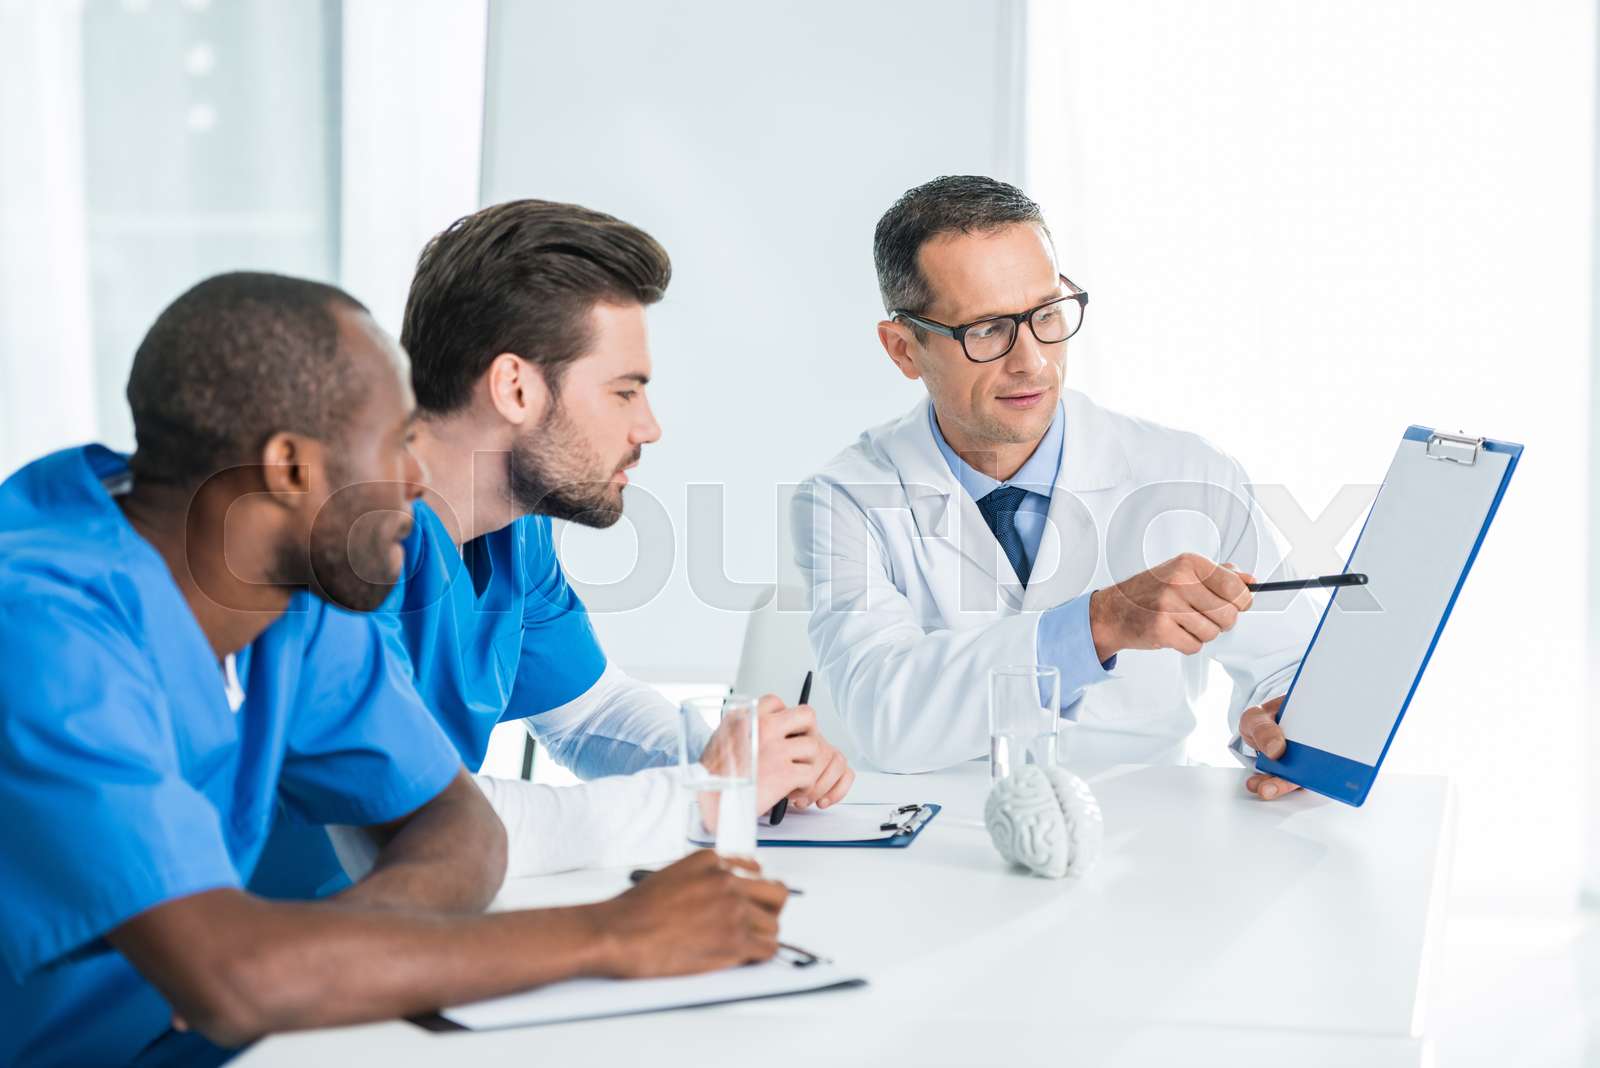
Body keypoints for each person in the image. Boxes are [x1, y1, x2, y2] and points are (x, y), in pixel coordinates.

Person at [0, 273, 788, 1068]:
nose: (419, 477)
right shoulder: (42, 634)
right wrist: (613, 933)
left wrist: (317, 960)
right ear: (291, 469)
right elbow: (232, 981)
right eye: (394, 441)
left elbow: (458, 827)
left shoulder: (292, 593)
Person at [258, 199, 855, 891]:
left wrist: (740, 760)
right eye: (624, 392)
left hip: (397, 934)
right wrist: (704, 798)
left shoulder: (512, 527)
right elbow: (415, 822)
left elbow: (589, 714)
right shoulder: (350, 533)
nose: (650, 427)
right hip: (277, 958)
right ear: (514, 387)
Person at [792, 176, 1320, 797]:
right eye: (986, 330)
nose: (1032, 362)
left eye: (1045, 314)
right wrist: (1098, 624)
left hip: (1147, 827)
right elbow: (886, 715)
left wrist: (1279, 716)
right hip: (943, 837)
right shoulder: (845, 498)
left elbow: (1287, 661)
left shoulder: (1191, 472)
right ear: (903, 349)